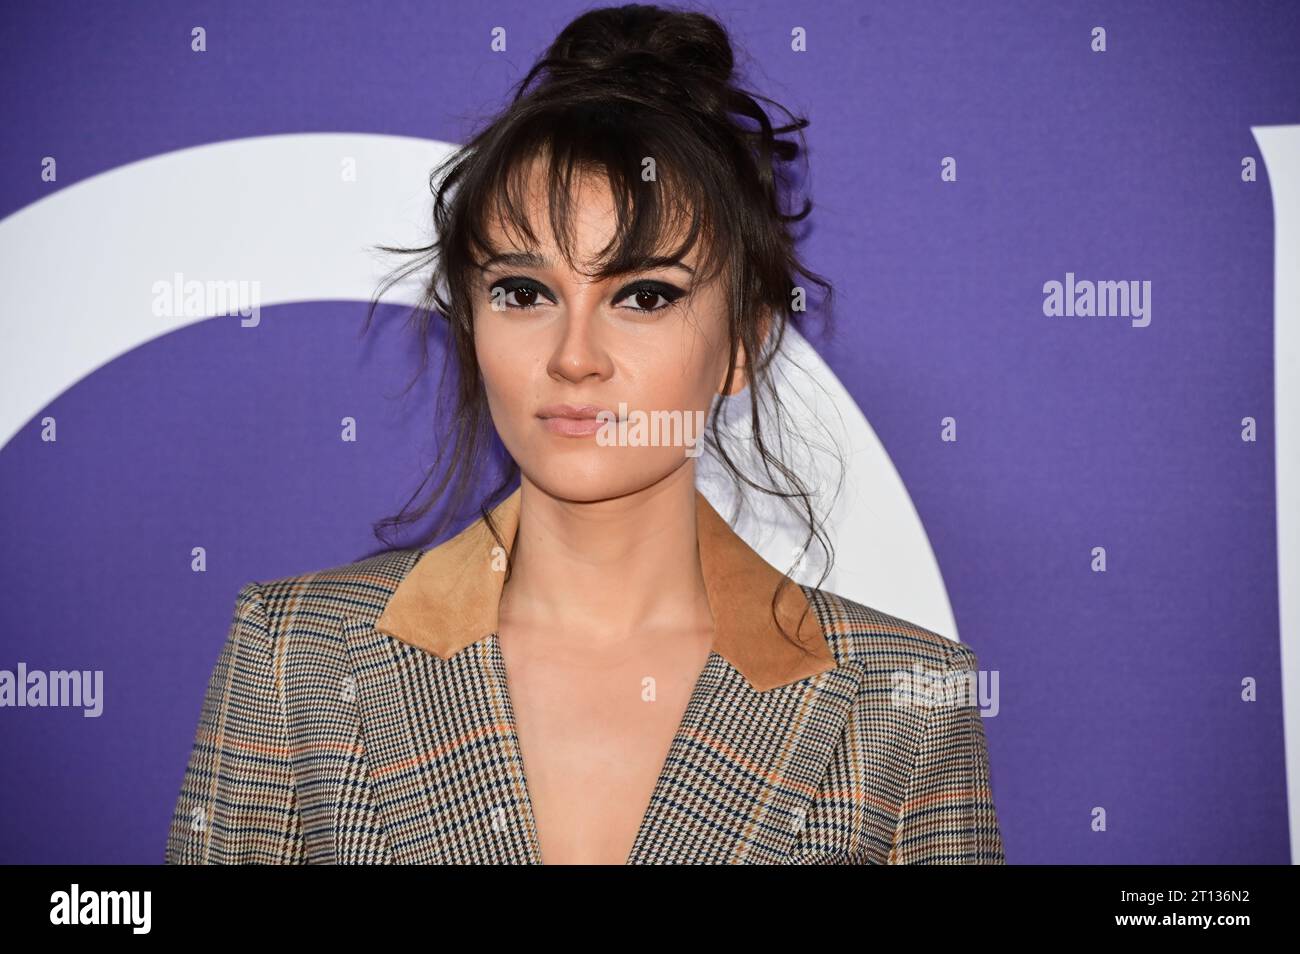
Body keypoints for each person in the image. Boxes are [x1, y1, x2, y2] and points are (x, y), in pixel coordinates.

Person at [165, 2, 1005, 865]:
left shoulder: (906, 703)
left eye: (644, 296)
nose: (573, 358)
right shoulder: (290, 657)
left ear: (743, 345)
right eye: (524, 292)